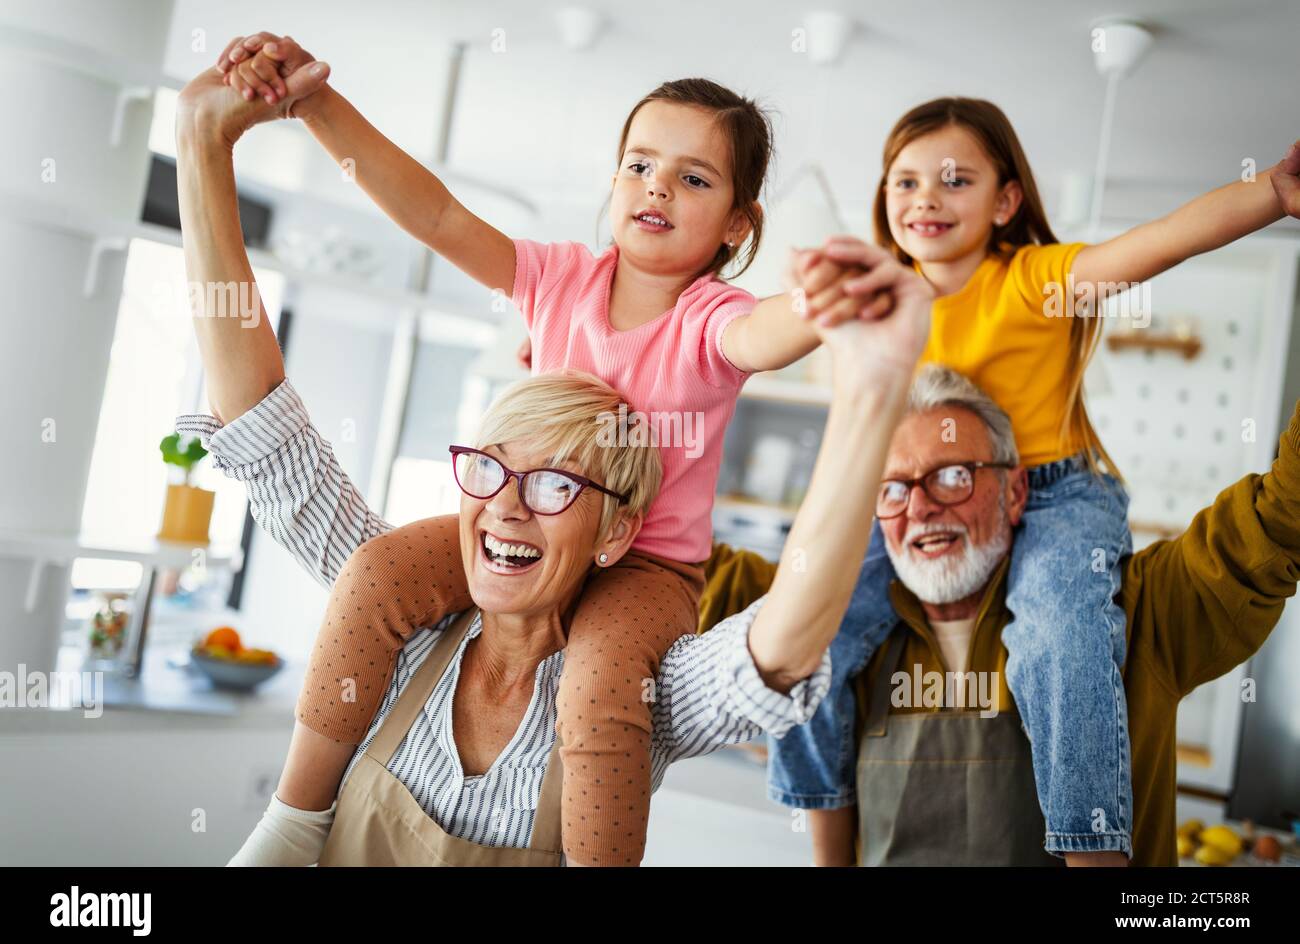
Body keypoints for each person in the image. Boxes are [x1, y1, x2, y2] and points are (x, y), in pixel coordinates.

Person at [171, 51, 934, 864]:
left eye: (694, 179)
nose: (657, 188)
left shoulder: (712, 318)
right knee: (377, 573)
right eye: (639, 165)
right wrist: (314, 106)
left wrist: (830, 303)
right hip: (555, 546)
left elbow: (766, 335)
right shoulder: (559, 280)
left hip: (646, 573)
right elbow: (435, 217)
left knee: (599, 693)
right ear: (612, 182)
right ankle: (292, 818)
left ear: (738, 225)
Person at [769, 98, 1296, 863]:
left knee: (1058, 636)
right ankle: (822, 831)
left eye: (955, 180)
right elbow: (781, 336)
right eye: (905, 181)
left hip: (1053, 495)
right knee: (806, 632)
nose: (925, 198)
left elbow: (1155, 244)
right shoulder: (888, 299)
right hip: (929, 494)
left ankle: (1091, 847)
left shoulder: (1029, 280)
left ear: (1006, 199)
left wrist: (1274, 195)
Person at [697, 362, 1300, 865]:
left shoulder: (1127, 612)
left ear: (1015, 492)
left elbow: (1280, 516)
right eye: (894, 488)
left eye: (954, 475)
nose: (923, 507)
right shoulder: (824, 618)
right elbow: (669, 558)